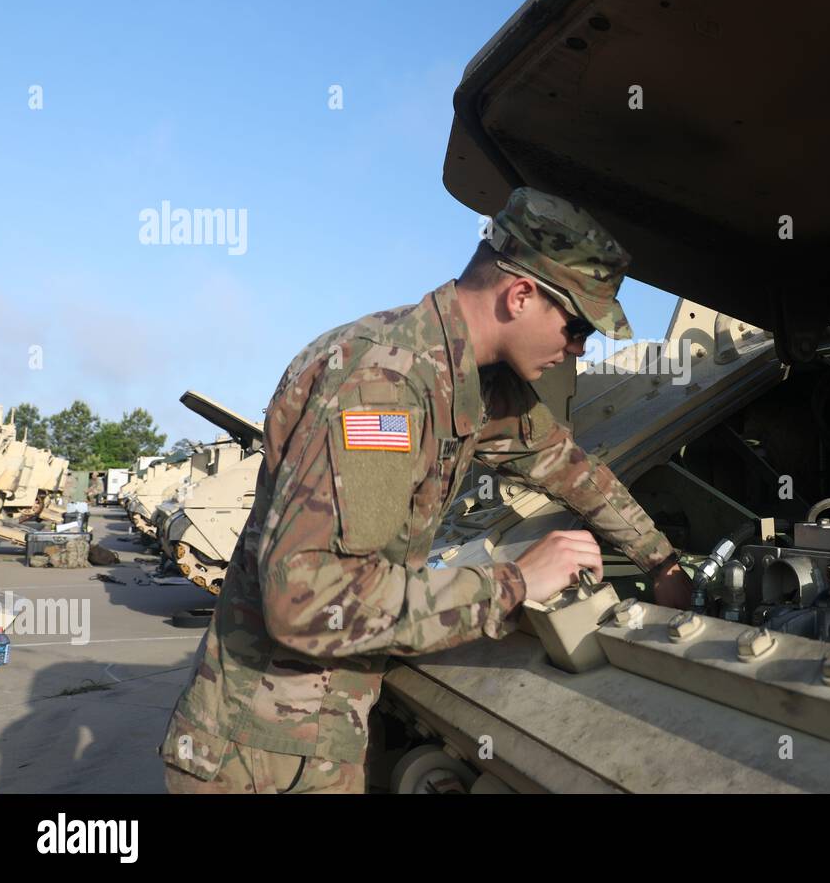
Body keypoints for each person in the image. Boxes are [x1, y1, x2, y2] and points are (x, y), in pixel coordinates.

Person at [159, 187, 692, 793]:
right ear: (520, 295)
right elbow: (305, 602)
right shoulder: (382, 383)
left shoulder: (470, 383)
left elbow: (567, 467)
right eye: (576, 327)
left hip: (314, 733)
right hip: (261, 757)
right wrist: (517, 582)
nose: (578, 347)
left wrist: (661, 560)